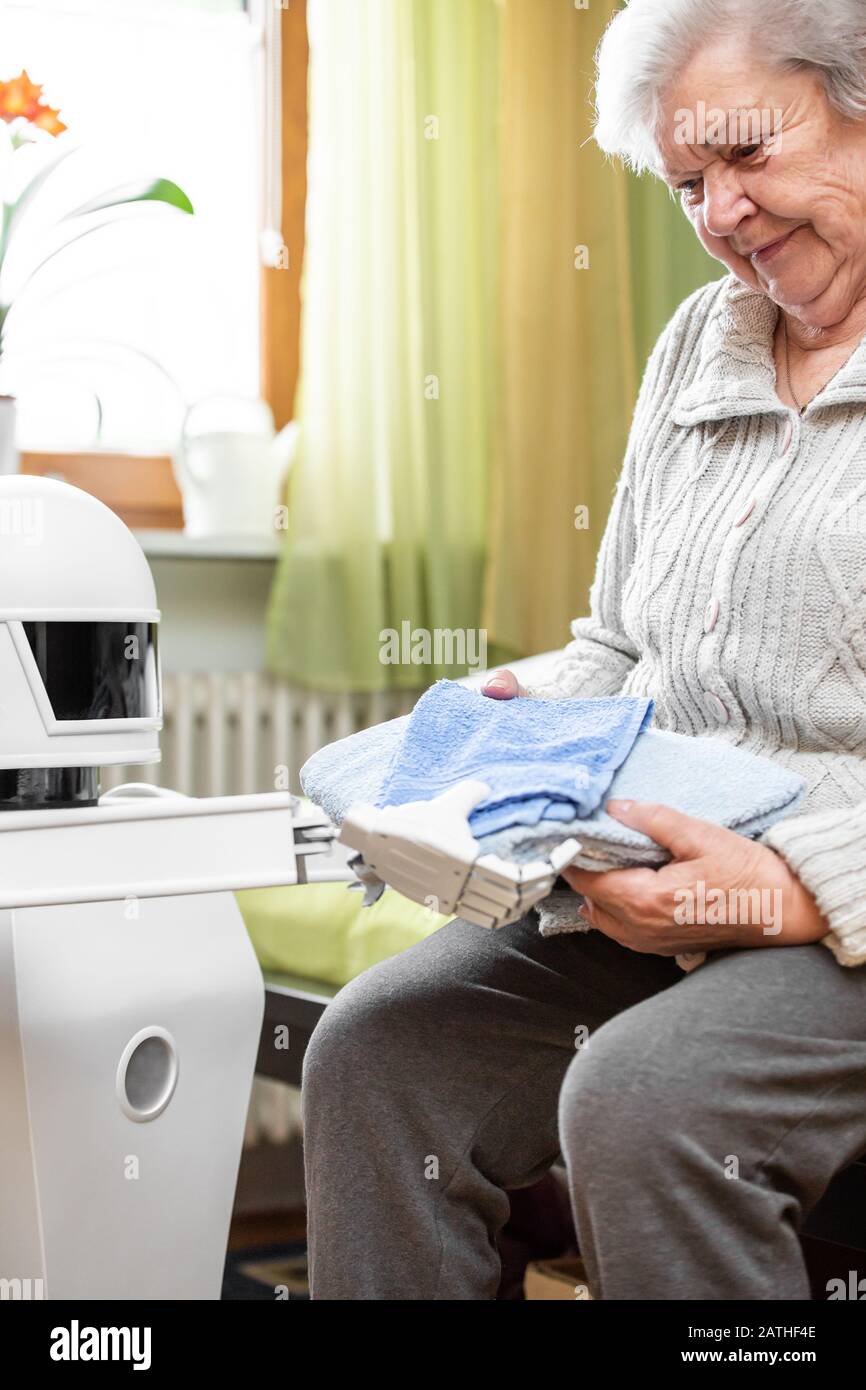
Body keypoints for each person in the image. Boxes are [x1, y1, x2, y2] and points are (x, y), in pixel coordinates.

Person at [303, 0, 866, 1299]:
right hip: (652, 887)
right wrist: (487, 742)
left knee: (641, 1094)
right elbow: (617, 641)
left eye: (743, 155)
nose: (718, 213)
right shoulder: (695, 347)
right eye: (684, 182)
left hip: (836, 919)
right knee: (376, 1050)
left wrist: (785, 893)